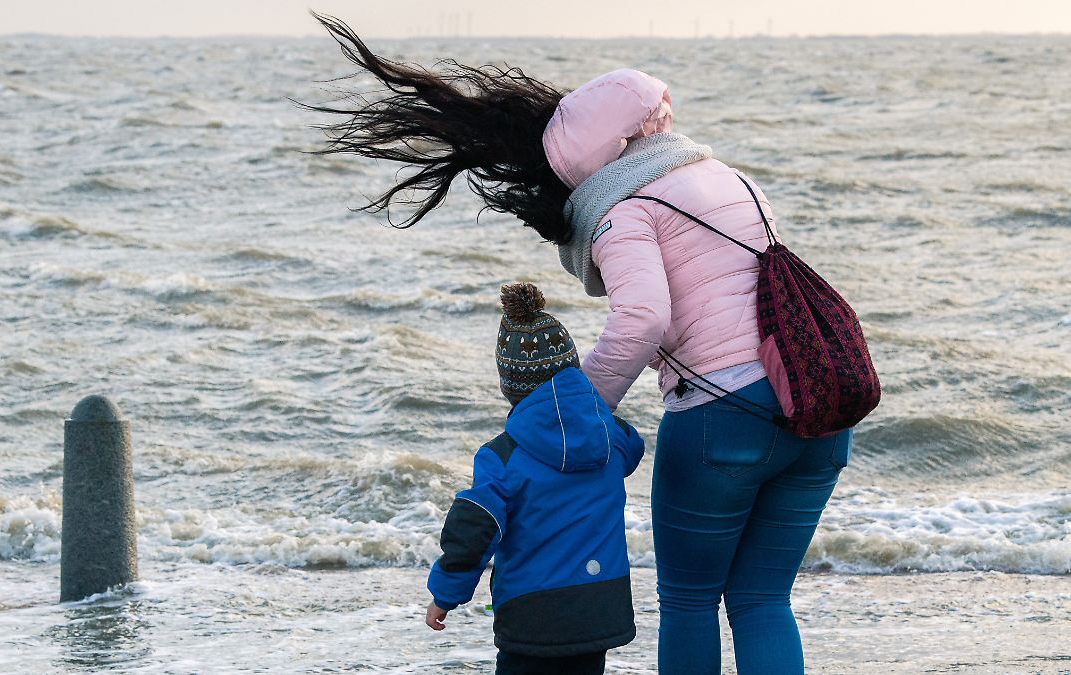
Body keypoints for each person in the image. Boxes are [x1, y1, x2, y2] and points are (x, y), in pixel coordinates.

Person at [310, 14, 856, 673]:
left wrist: (576, 409)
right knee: (764, 598)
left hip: (722, 420)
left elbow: (643, 319)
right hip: (817, 408)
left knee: (688, 598)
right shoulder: (735, 181)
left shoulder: (626, 210)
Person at [425, 283, 645, 675]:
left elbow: (473, 528)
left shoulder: (501, 456)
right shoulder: (612, 438)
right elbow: (634, 447)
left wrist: (446, 594)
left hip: (532, 612)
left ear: (510, 385)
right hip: (600, 604)